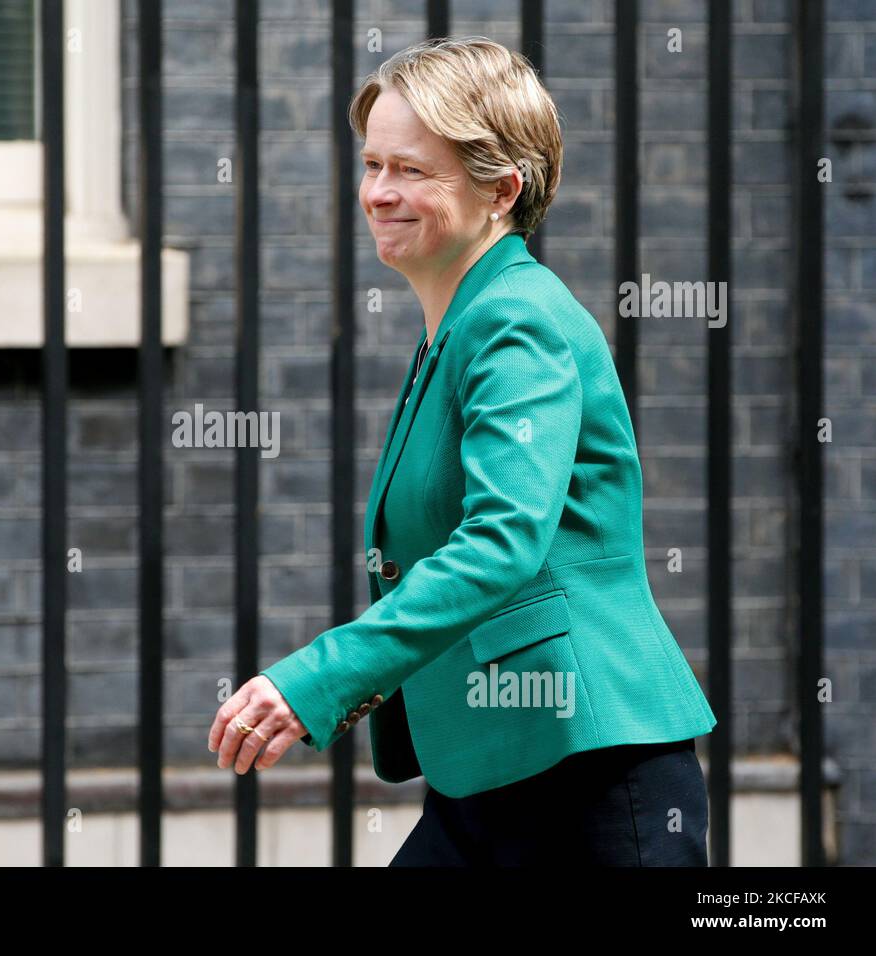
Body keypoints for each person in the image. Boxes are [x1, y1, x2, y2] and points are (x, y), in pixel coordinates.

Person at [207, 36, 715, 866]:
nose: (378, 192)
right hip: (497, 773)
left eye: (412, 170)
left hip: (589, 780)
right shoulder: (458, 328)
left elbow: (500, 541)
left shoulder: (514, 321)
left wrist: (321, 677)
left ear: (501, 190)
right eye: (373, 164)